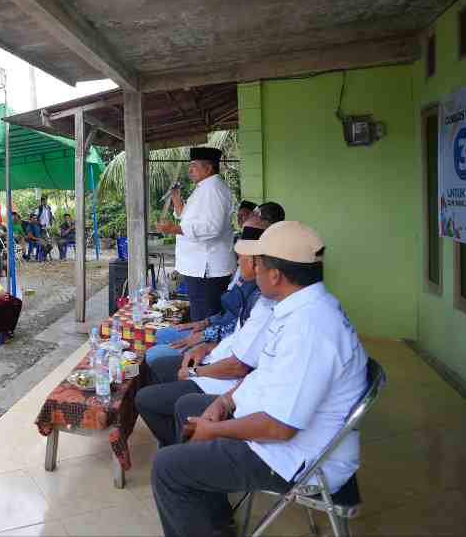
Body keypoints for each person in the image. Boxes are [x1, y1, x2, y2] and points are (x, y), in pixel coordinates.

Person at [151, 221, 368, 537]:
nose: (252, 269)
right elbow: (264, 373)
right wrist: (225, 401)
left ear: (276, 275)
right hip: (274, 431)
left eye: (259, 264)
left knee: (168, 468)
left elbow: (279, 428)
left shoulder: (312, 329)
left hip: (292, 457)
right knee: (189, 406)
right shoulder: (299, 309)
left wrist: (216, 429)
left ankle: (204, 510)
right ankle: (214, 520)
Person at [135, 224, 269, 447]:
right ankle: (174, 436)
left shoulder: (262, 303)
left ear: (257, 264)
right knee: (157, 356)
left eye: (241, 258)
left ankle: (177, 445)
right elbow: (233, 329)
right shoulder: (252, 291)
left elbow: (239, 366)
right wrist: (206, 343)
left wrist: (196, 370)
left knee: (155, 364)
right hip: (215, 355)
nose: (237, 262)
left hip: (220, 377)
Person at [144, 219, 269, 364]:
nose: (238, 262)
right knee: (159, 335)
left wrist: (204, 337)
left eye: (241, 257)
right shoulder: (245, 276)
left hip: (221, 343)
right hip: (216, 329)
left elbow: (238, 332)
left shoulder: (261, 293)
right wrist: (204, 323)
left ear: (254, 261)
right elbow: (229, 313)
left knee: (154, 355)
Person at [156, 147, 236, 322]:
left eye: (194, 166)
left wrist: (173, 229)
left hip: (207, 269)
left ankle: (206, 348)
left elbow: (212, 228)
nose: (189, 170)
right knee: (202, 318)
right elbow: (188, 217)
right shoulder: (204, 188)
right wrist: (176, 198)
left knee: (205, 320)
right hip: (200, 267)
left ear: (208, 168)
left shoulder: (213, 189)